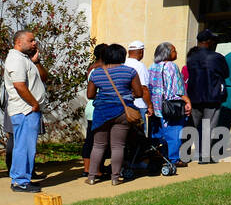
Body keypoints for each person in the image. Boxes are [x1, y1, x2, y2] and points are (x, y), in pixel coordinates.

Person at [86, 43, 144, 186]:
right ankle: (115, 178)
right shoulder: (130, 72)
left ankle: (92, 177)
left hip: (102, 112)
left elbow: (90, 95)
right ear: (122, 56)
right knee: (118, 146)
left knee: (98, 145)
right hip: (123, 112)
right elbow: (139, 93)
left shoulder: (97, 73)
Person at [4, 31, 47, 193]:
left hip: (28, 110)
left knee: (25, 146)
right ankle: (20, 181)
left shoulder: (24, 59)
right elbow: (19, 85)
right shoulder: (16, 59)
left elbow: (43, 78)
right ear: (18, 42)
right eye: (31, 40)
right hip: (25, 111)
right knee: (24, 146)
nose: (34, 43)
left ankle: (21, 178)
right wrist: (34, 104)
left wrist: (36, 62)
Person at [185, 30, 229, 164]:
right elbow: (226, 73)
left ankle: (183, 154)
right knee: (209, 126)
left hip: (194, 96)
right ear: (209, 42)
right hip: (212, 96)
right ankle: (204, 156)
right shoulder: (217, 57)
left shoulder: (191, 58)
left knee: (191, 126)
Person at [146, 42, 190, 174]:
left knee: (158, 133)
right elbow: (178, 88)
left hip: (155, 106)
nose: (176, 53)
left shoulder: (152, 67)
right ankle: (174, 159)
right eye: (174, 51)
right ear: (167, 53)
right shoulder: (172, 66)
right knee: (174, 132)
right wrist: (187, 100)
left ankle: (158, 157)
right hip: (170, 106)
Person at [81, 44, 110, 181]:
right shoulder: (99, 69)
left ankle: (89, 168)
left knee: (91, 139)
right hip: (97, 108)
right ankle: (93, 169)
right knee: (97, 141)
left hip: (92, 108)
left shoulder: (92, 67)